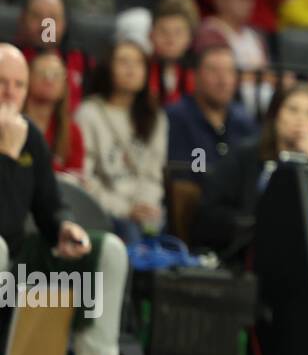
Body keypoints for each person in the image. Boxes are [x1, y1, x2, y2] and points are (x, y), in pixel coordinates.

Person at [0, 43, 148, 355]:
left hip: (16, 266)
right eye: (1, 83)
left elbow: (48, 205)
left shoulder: (28, 134)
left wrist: (65, 227)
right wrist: (6, 159)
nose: (10, 94)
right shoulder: (15, 140)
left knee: (108, 250)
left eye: (18, 84)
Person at [190, 83, 308, 254]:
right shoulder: (245, 156)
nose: (301, 120)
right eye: (293, 110)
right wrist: (251, 224)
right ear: (276, 114)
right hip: (245, 254)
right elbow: (208, 215)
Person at [73, 38, 168, 248]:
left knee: (159, 228)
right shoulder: (88, 114)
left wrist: (146, 206)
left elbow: (154, 175)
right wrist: (124, 210)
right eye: (123, 62)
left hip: (144, 210)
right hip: (105, 210)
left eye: (138, 63)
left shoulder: (156, 117)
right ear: (108, 68)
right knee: (129, 233)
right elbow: (85, 179)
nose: (131, 69)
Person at [165, 44, 257, 182]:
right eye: (213, 71)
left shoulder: (244, 121)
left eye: (229, 72)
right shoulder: (175, 119)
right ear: (195, 76)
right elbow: (180, 177)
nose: (223, 80)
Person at [23, 50, 84, 175]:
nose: (49, 79)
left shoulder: (72, 131)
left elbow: (74, 180)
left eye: (56, 75)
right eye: (42, 73)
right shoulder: (9, 123)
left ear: (64, 85)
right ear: (27, 78)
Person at [147, 0, 199, 106]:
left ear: (190, 38)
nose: (170, 40)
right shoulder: (141, 71)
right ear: (151, 35)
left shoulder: (200, 74)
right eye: (163, 32)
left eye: (178, 33)